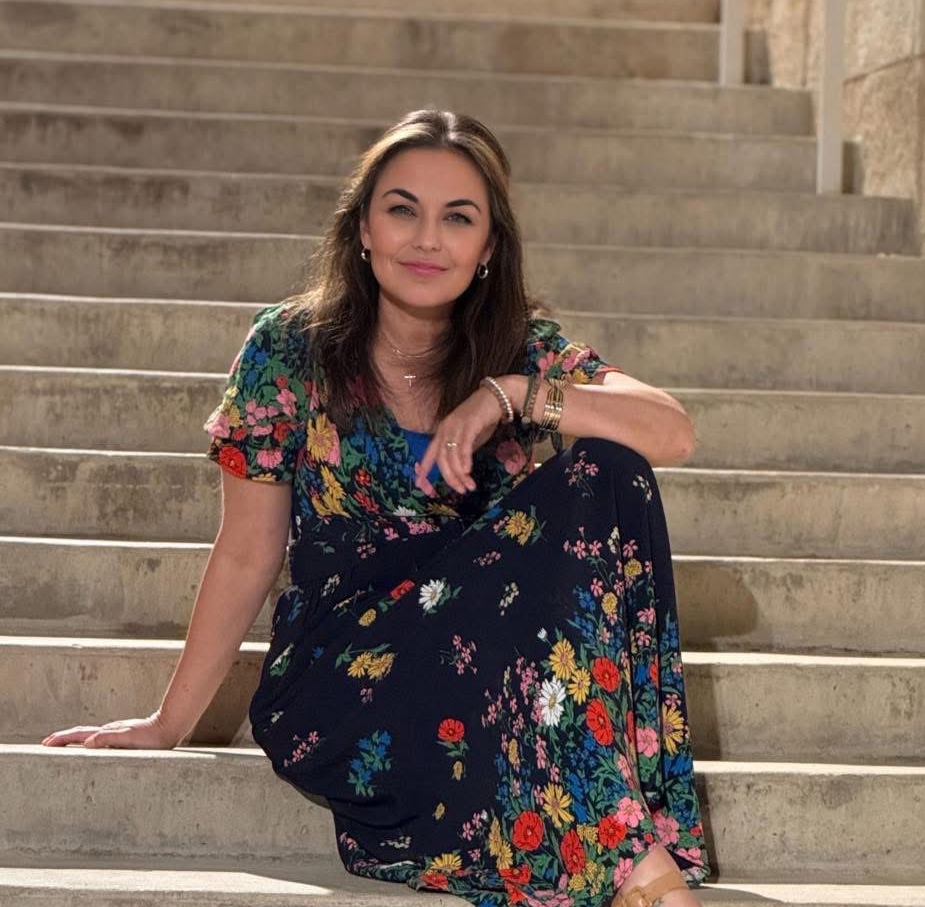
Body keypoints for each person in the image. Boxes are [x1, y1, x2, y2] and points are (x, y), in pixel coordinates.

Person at [41, 109, 710, 907]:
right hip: (349, 671)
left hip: (485, 663)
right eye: (402, 209)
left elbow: (671, 430)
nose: (427, 239)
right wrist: (167, 722)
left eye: (457, 218)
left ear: (488, 247)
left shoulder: (519, 347)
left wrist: (512, 394)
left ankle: (623, 853)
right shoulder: (291, 348)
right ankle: (640, 866)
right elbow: (249, 550)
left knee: (608, 468)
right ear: (362, 228)